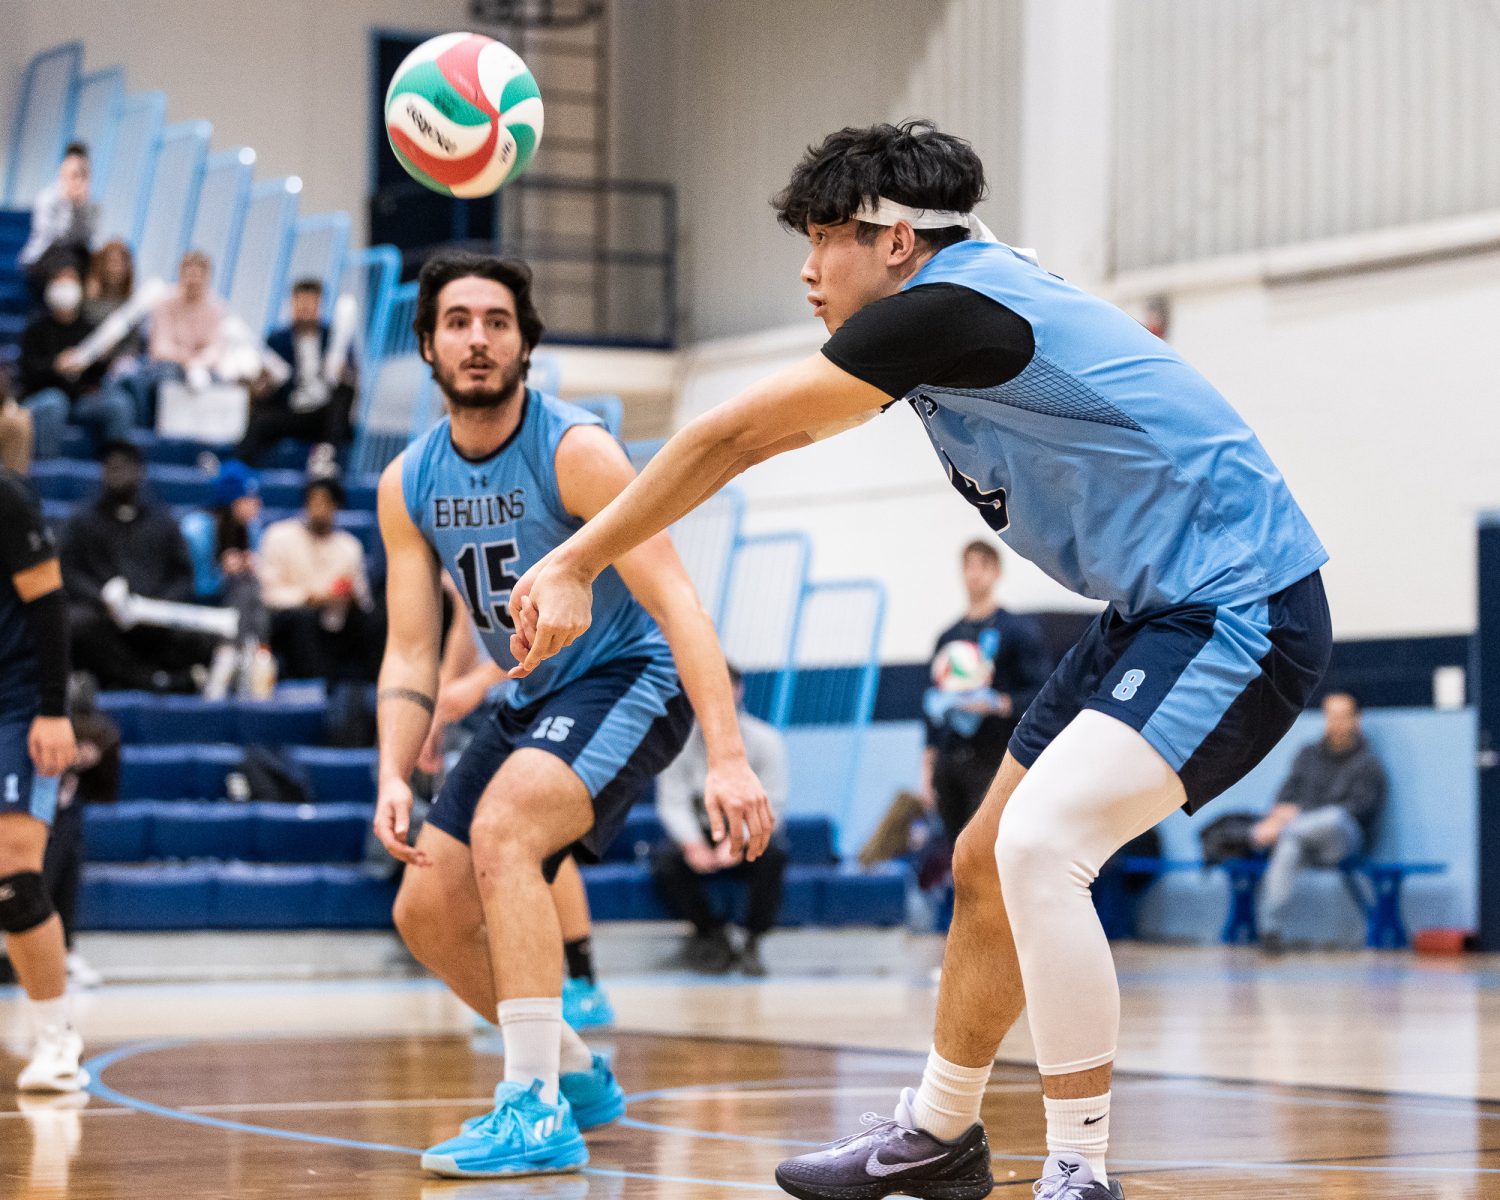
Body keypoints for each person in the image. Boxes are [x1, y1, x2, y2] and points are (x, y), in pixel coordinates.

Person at [508, 121, 1332, 1199]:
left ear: (896, 240)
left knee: (1040, 849)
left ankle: (1080, 1167)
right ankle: (940, 1136)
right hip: (1152, 610)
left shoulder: (948, 307)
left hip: (1241, 604)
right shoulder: (963, 303)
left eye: (825, 240)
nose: (808, 271)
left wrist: (575, 558)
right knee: (985, 858)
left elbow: (728, 439)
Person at [373, 249, 770, 1178]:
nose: (478, 339)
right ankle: (575, 1071)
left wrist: (727, 755)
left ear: (525, 343)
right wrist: (393, 769)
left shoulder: (576, 451)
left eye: (497, 322)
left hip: (632, 675)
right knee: (427, 909)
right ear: (428, 344)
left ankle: (533, 1108)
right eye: (458, 322)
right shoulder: (408, 483)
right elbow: (409, 649)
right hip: (531, 694)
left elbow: (678, 603)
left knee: (508, 830)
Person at [418, 600, 617, 1030]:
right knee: (488, 846)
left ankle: (583, 981)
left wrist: (477, 681)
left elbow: (550, 630)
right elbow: (462, 630)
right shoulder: (445, 547)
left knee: (533, 841)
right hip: (492, 709)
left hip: (548, 693)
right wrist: (436, 706)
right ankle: (525, 988)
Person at [0, 463, 84, 1092]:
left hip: (16, 703)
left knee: (12, 875)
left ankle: (56, 1043)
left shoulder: (5, 496)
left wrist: (53, 710)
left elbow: (50, 604)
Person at [652, 662, 789, 975]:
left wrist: (738, 840)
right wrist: (691, 844)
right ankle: (712, 935)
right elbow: (672, 803)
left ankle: (754, 940)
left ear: (738, 690)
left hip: (748, 829)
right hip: (702, 830)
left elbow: (774, 804)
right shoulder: (679, 743)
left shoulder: (766, 741)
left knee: (774, 854)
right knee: (665, 862)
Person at [922, 540, 1049, 845]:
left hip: (996, 759)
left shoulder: (1017, 631)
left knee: (990, 849)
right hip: (952, 761)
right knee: (956, 851)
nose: (974, 574)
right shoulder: (948, 638)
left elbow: (1041, 693)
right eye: (968, 566)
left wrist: (997, 704)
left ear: (996, 572)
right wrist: (926, 774)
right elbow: (930, 715)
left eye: (982, 565)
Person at [61, 440, 211, 693]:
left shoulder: (163, 521)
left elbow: (183, 576)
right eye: (110, 466)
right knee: (73, 626)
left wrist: (158, 604)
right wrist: (101, 598)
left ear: (139, 472)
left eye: (124, 466)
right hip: (101, 618)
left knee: (202, 638)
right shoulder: (83, 520)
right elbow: (69, 572)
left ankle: (132, 678)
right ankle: (155, 681)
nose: (117, 472)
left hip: (153, 620)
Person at [1253, 692, 1386, 951]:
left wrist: (1294, 816)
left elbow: (1359, 811)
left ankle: (1278, 831)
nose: (1336, 722)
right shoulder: (1307, 755)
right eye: (1330, 716)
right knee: (1289, 844)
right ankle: (1270, 931)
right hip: (1303, 840)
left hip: (1344, 841)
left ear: (1356, 720)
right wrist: (1282, 814)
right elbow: (1284, 795)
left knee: (1333, 817)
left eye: (1342, 716)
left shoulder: (1369, 764)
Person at [258, 472, 378, 685]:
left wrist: (351, 597)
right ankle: (316, 687)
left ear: (337, 507)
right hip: (289, 622)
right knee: (305, 619)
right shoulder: (278, 536)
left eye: (326, 502)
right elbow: (268, 593)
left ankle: (367, 691)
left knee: (374, 621)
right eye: (314, 501)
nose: (319, 509)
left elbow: (364, 599)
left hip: (335, 623)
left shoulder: (349, 546)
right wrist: (310, 598)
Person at [17, 260, 135, 459]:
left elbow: (99, 375)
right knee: (55, 402)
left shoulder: (89, 328)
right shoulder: (36, 328)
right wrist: (55, 365)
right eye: (59, 282)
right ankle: (48, 470)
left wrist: (102, 359)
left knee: (118, 403)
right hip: (44, 397)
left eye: (70, 282)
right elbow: (26, 370)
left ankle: (118, 470)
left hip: (81, 400)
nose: (65, 288)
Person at [234, 278, 357, 467]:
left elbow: (351, 376)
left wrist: (342, 373)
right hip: (289, 410)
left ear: (320, 304)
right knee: (261, 417)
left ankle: (328, 458)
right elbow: (264, 384)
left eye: (311, 303)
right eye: (301, 302)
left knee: (344, 393)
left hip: (323, 414)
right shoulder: (277, 340)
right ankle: (241, 467)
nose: (306, 308)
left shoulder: (333, 337)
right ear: (293, 303)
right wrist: (263, 381)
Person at [124, 250, 225, 428]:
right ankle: (162, 430)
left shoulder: (215, 308)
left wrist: (196, 363)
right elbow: (160, 348)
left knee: (218, 382)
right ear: (181, 274)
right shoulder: (164, 303)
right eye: (189, 274)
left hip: (198, 367)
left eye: (199, 275)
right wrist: (188, 359)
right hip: (165, 367)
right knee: (168, 374)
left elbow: (215, 350)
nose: (193, 281)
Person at [18, 143, 96, 296]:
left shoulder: (87, 205)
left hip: (73, 255)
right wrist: (67, 203)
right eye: (74, 174)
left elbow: (86, 238)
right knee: (66, 262)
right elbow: (52, 237)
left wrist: (79, 208)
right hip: (44, 255)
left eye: (83, 174)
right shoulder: (47, 198)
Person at [83, 240, 146, 368]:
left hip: (118, 366)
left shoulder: (133, 304)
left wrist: (114, 353)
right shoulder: (88, 301)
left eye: (120, 263)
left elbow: (133, 346)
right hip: (87, 364)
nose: (115, 269)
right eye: (111, 262)